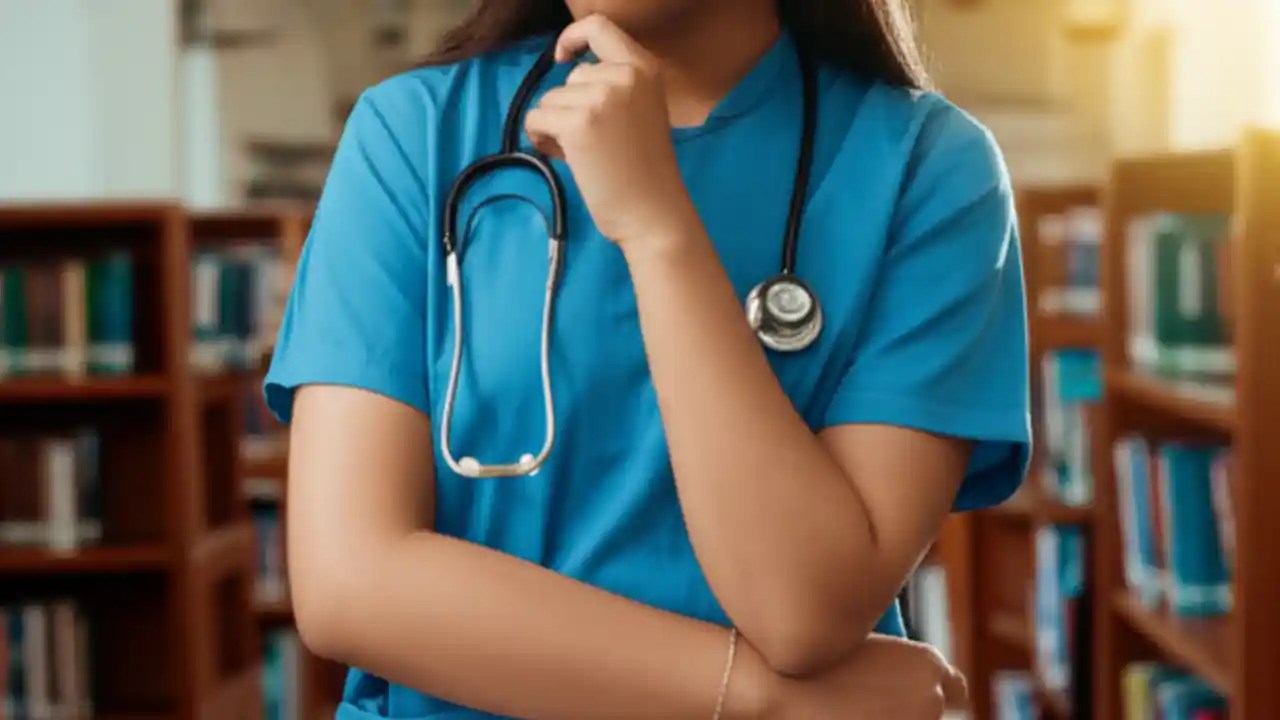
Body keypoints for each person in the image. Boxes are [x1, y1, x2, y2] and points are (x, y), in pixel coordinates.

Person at [263, 0, 1030, 717]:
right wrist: (764, 700)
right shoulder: (414, 133)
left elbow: (803, 609)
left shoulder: (929, 170)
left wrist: (655, 224)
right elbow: (351, 583)